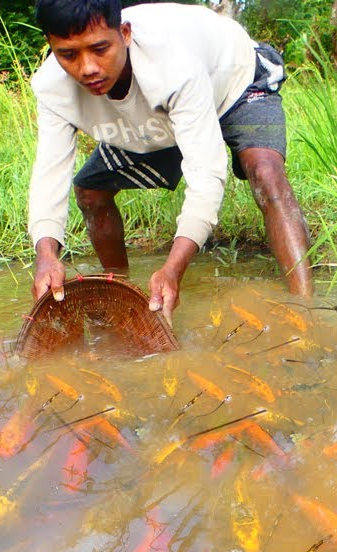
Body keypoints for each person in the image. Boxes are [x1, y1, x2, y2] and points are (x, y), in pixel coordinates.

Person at [28, 0, 313, 323]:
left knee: (266, 171)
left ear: (124, 33)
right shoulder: (51, 87)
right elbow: (49, 175)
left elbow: (206, 174)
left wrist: (173, 269)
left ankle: (306, 309)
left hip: (236, 81)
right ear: (52, 47)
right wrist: (47, 255)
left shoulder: (173, 63)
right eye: (68, 55)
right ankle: (119, 293)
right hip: (158, 116)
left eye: (99, 48)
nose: (87, 68)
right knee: (90, 190)